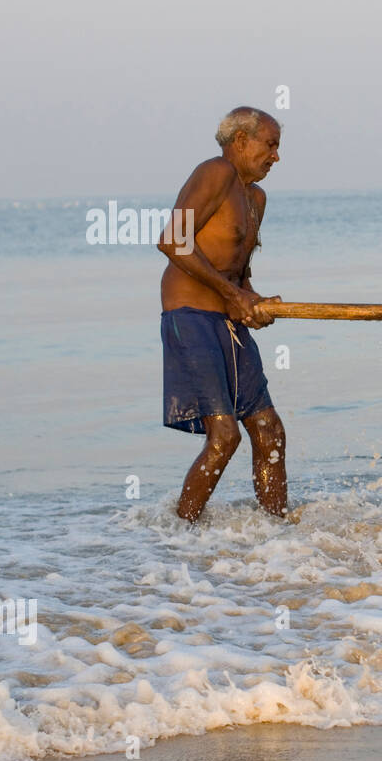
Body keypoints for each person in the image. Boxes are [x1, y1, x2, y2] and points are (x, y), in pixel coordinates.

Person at [157, 106, 287, 522]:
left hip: (228, 323)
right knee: (225, 435)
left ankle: (276, 531)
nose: (276, 157)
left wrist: (254, 302)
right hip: (190, 316)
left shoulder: (256, 198)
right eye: (270, 145)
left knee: (269, 432)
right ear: (241, 141)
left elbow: (239, 270)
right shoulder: (215, 171)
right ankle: (182, 531)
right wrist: (234, 294)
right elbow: (172, 241)